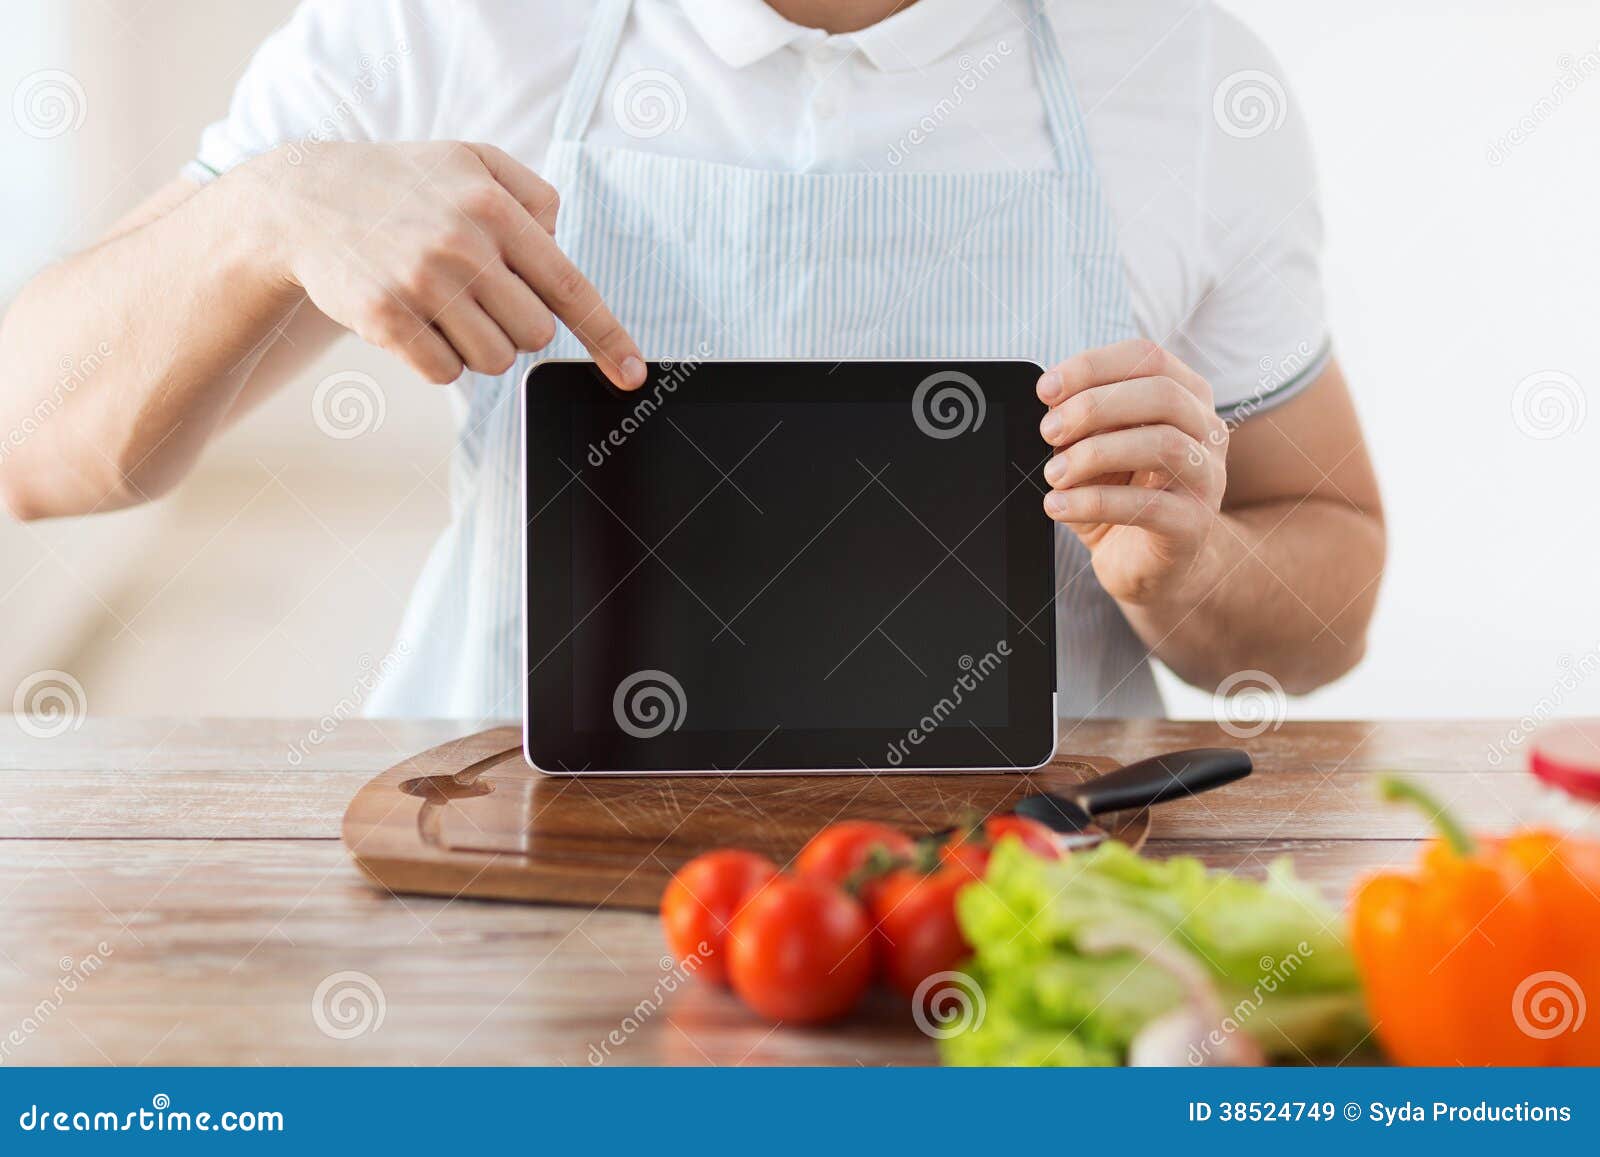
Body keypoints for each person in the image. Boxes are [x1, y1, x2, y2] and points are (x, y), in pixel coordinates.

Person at [0, 0, 1384, 720]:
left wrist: (1193, 572)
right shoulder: (447, 26)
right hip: (498, 887)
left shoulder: (1182, 71)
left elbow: (1332, 563)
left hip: (996, 926)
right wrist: (264, 213)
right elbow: (33, 440)